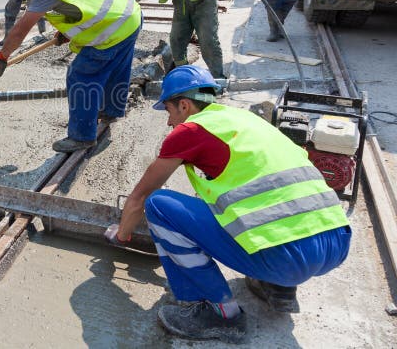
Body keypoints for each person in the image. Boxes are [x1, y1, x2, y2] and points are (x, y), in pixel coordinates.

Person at [104, 65, 351, 344]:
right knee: (253, 204)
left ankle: (219, 313)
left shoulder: (189, 131)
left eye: (169, 112)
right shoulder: (244, 120)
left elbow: (139, 198)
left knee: (159, 206)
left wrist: (121, 235)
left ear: (184, 105)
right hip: (335, 241)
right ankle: (279, 288)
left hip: (286, 258)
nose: (169, 122)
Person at [0, 0, 142, 153]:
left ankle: (82, 136)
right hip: (132, 17)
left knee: (81, 76)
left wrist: (2, 56)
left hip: (112, 31)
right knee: (117, 68)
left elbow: (21, 29)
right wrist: (67, 31)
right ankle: (112, 111)